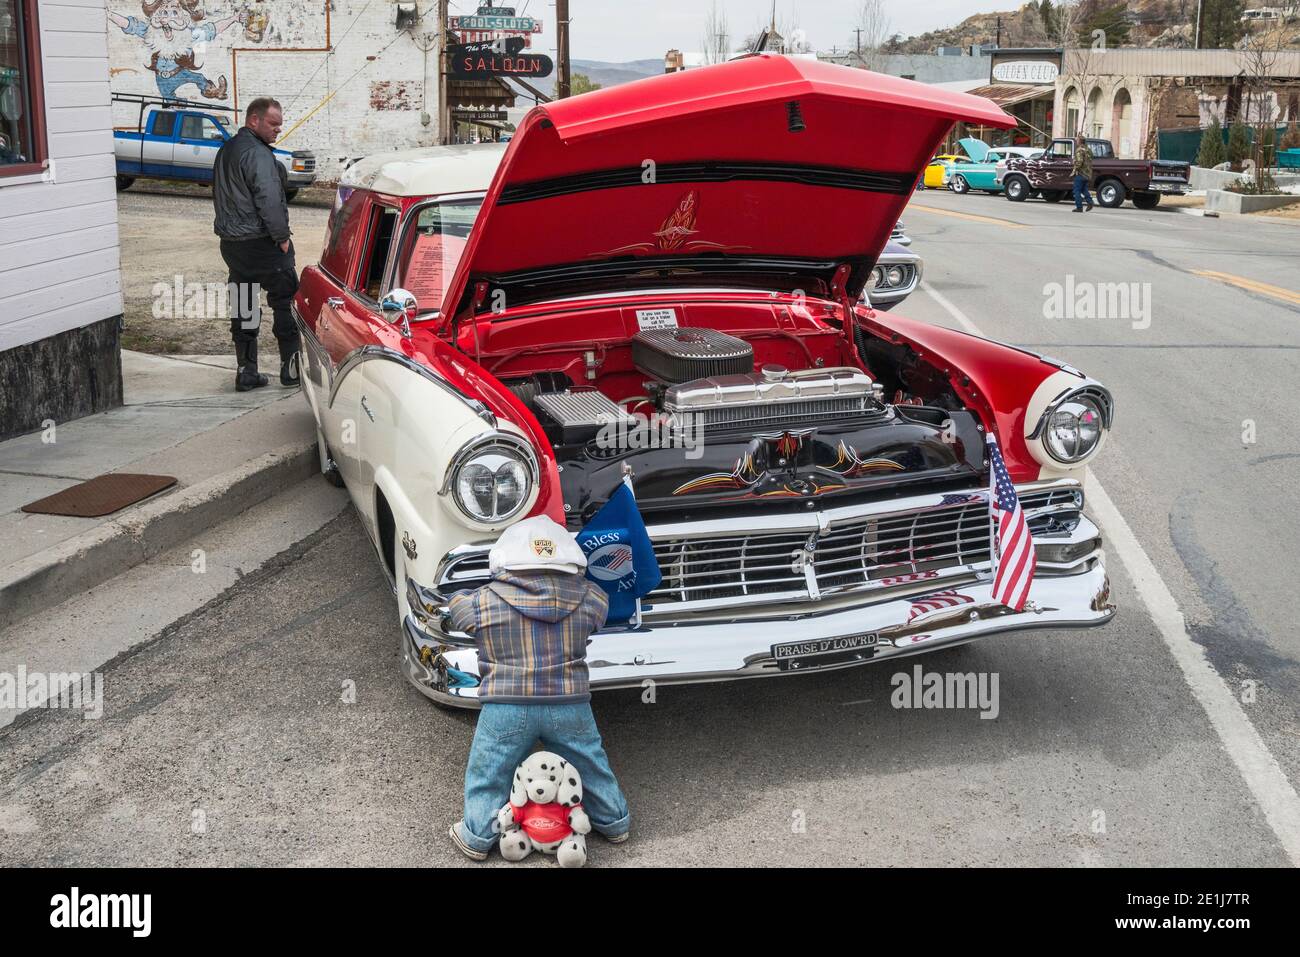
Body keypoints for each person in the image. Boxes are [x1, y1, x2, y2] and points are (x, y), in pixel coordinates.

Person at [446, 515, 631, 861]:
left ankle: (477, 833)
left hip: (506, 705)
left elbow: (457, 609)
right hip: (569, 702)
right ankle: (613, 820)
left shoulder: (483, 601)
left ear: (505, 561)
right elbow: (603, 608)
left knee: (489, 770)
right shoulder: (591, 598)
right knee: (590, 762)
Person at [212, 97, 300, 392]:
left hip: (233, 246)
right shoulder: (258, 155)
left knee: (244, 304)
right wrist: (282, 237)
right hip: (263, 243)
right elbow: (269, 199)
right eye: (273, 124)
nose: (278, 130)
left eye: (280, 125)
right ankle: (292, 371)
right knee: (286, 302)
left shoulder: (226, 150)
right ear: (254, 120)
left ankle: (246, 371)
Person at [1072, 136, 1095, 213]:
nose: (1076, 142)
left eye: (1077, 140)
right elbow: (1091, 158)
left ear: (1079, 141)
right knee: (1084, 189)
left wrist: (1074, 170)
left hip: (1081, 173)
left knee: (1077, 190)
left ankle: (1079, 207)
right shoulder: (1088, 149)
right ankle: (1090, 202)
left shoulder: (1079, 150)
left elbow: (1079, 162)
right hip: (1088, 173)